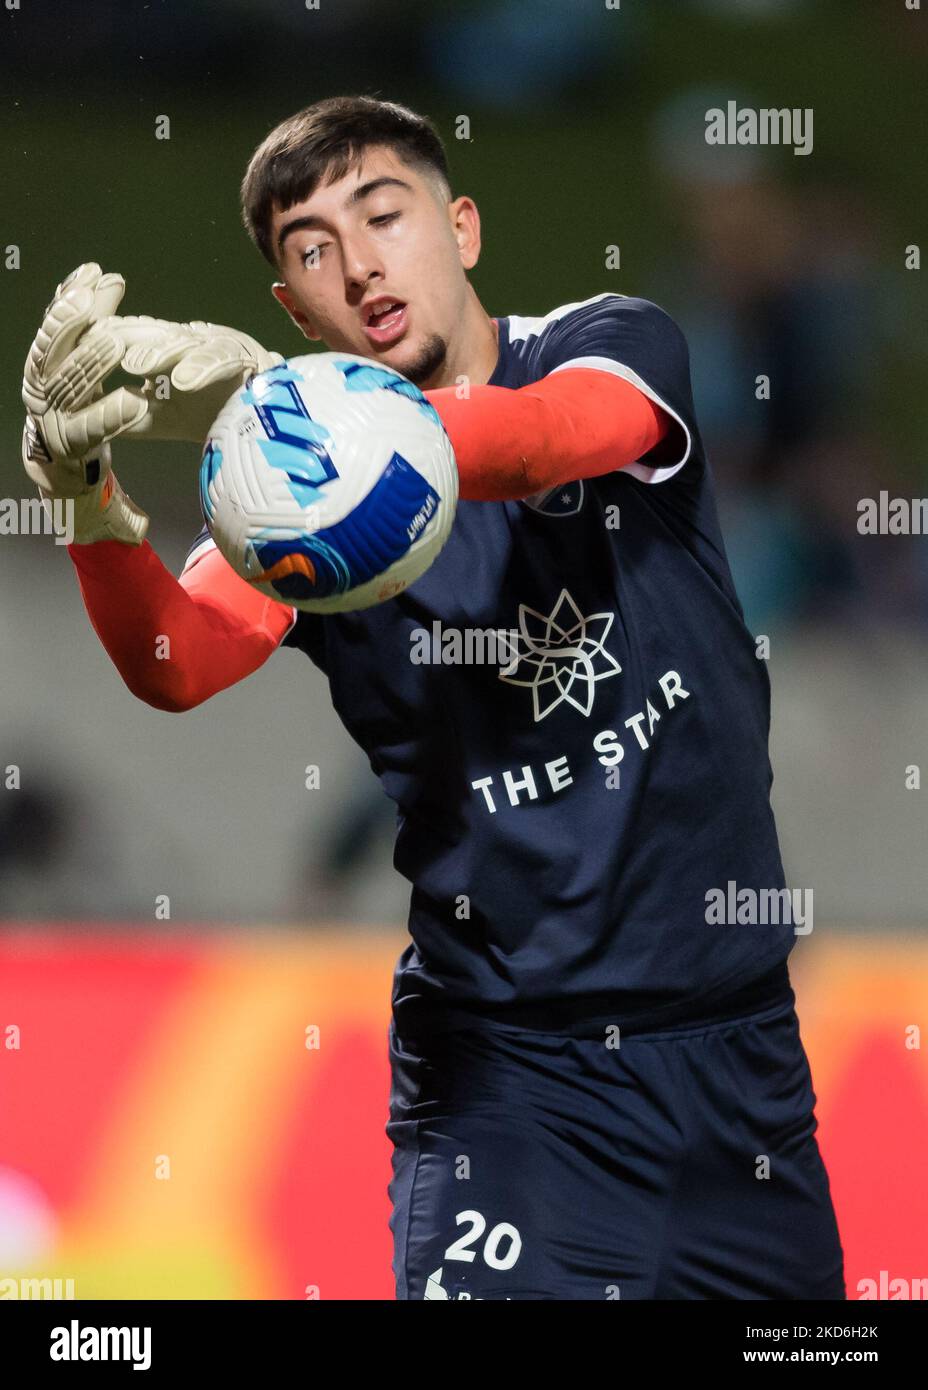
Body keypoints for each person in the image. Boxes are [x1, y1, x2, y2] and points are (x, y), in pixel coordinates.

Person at [22, 95, 844, 1300]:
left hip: (741, 1067)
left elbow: (553, 436)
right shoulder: (297, 518)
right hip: (507, 1086)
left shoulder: (614, 342)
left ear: (460, 227)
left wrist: (353, 428)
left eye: (383, 213)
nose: (356, 264)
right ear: (288, 311)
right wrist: (84, 495)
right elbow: (174, 665)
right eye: (310, 249)